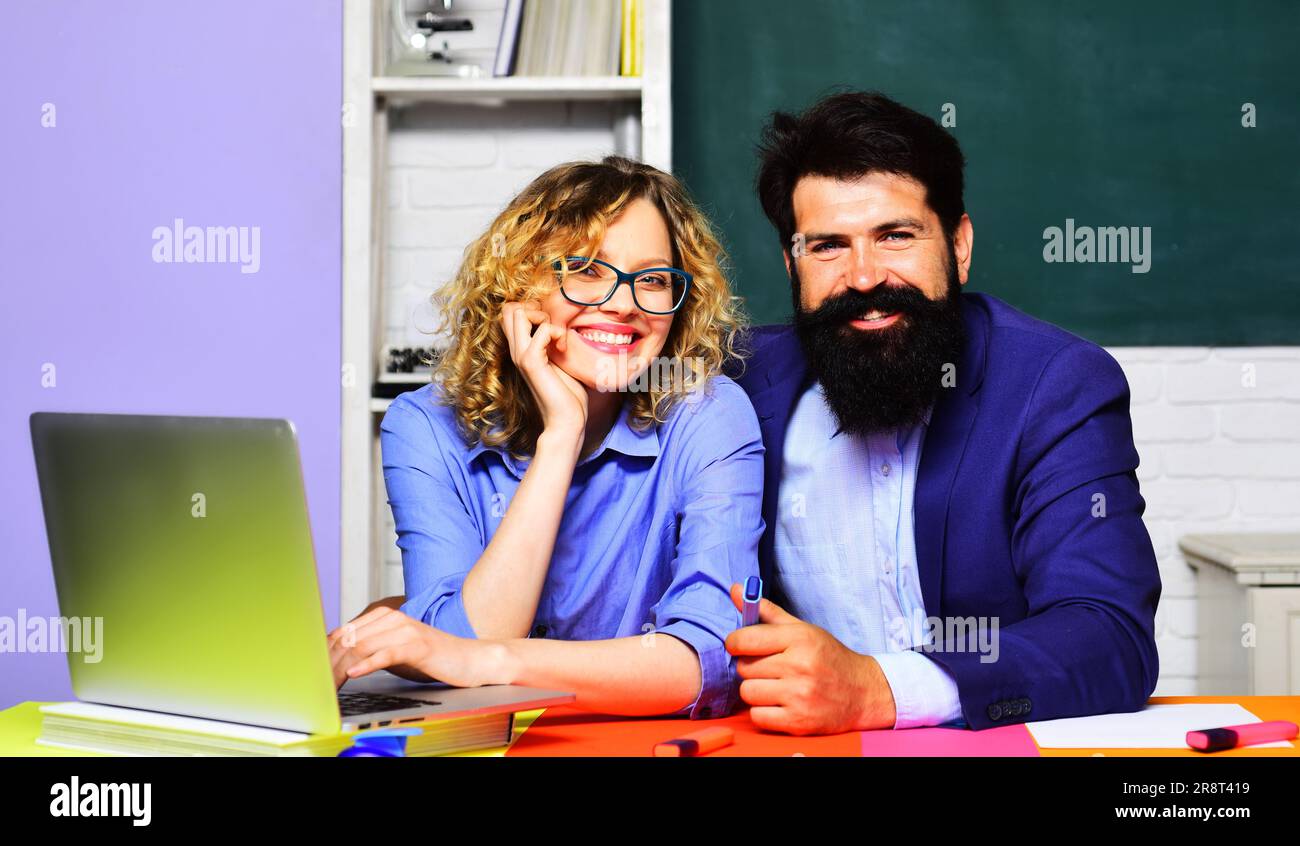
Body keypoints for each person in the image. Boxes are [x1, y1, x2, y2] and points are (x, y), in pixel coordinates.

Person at [723, 91, 1162, 734]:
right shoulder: (736, 382)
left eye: (896, 236)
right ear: (791, 263)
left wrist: (878, 690)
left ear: (958, 245)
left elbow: (1109, 634)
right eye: (828, 247)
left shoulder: (1056, 386)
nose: (865, 276)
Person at [329, 155, 763, 719]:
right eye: (585, 270)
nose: (625, 303)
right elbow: (462, 638)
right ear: (520, 283)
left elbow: (709, 659)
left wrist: (489, 659)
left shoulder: (708, 413)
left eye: (653, 279)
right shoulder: (424, 425)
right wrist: (562, 435)